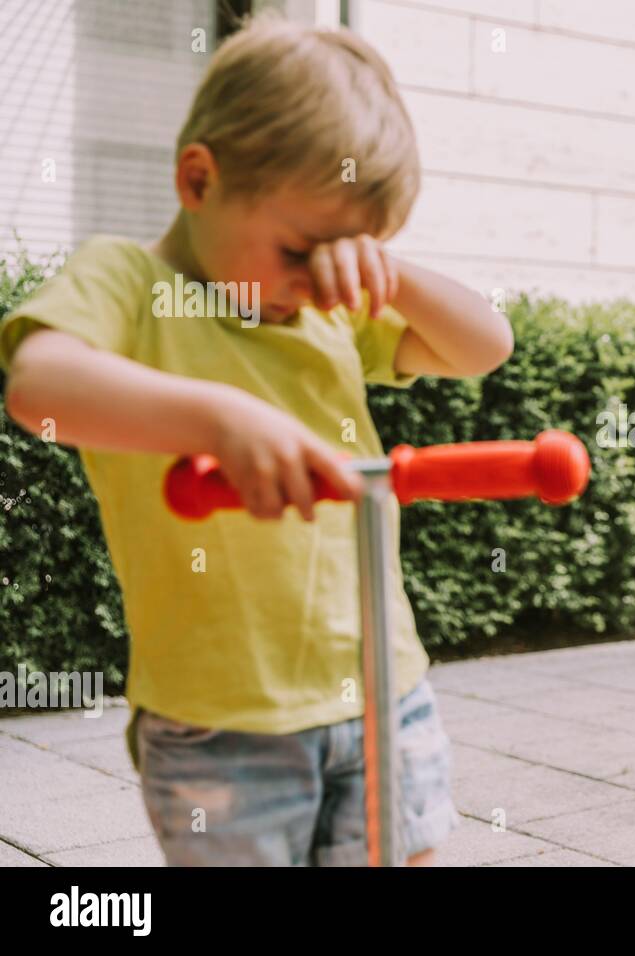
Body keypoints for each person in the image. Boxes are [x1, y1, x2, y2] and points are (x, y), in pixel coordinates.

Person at [0, 14, 513, 865]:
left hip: (383, 690)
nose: (316, 279)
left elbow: (484, 344)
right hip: (221, 723)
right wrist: (219, 417)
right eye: (299, 247)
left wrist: (392, 273)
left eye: (344, 252)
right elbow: (41, 388)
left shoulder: (322, 307)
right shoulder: (126, 282)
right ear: (198, 179)